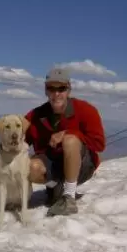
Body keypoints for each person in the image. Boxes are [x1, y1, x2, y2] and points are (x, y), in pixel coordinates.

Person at [24, 67, 106, 216]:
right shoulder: (36, 115)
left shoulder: (85, 110)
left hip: (83, 165)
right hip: (53, 164)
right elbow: (18, 141)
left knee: (70, 140)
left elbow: (99, 144)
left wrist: (68, 133)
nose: (56, 94)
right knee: (28, 167)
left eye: (61, 88)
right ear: (45, 90)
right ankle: (55, 186)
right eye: (51, 88)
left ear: (69, 89)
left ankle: (68, 197)